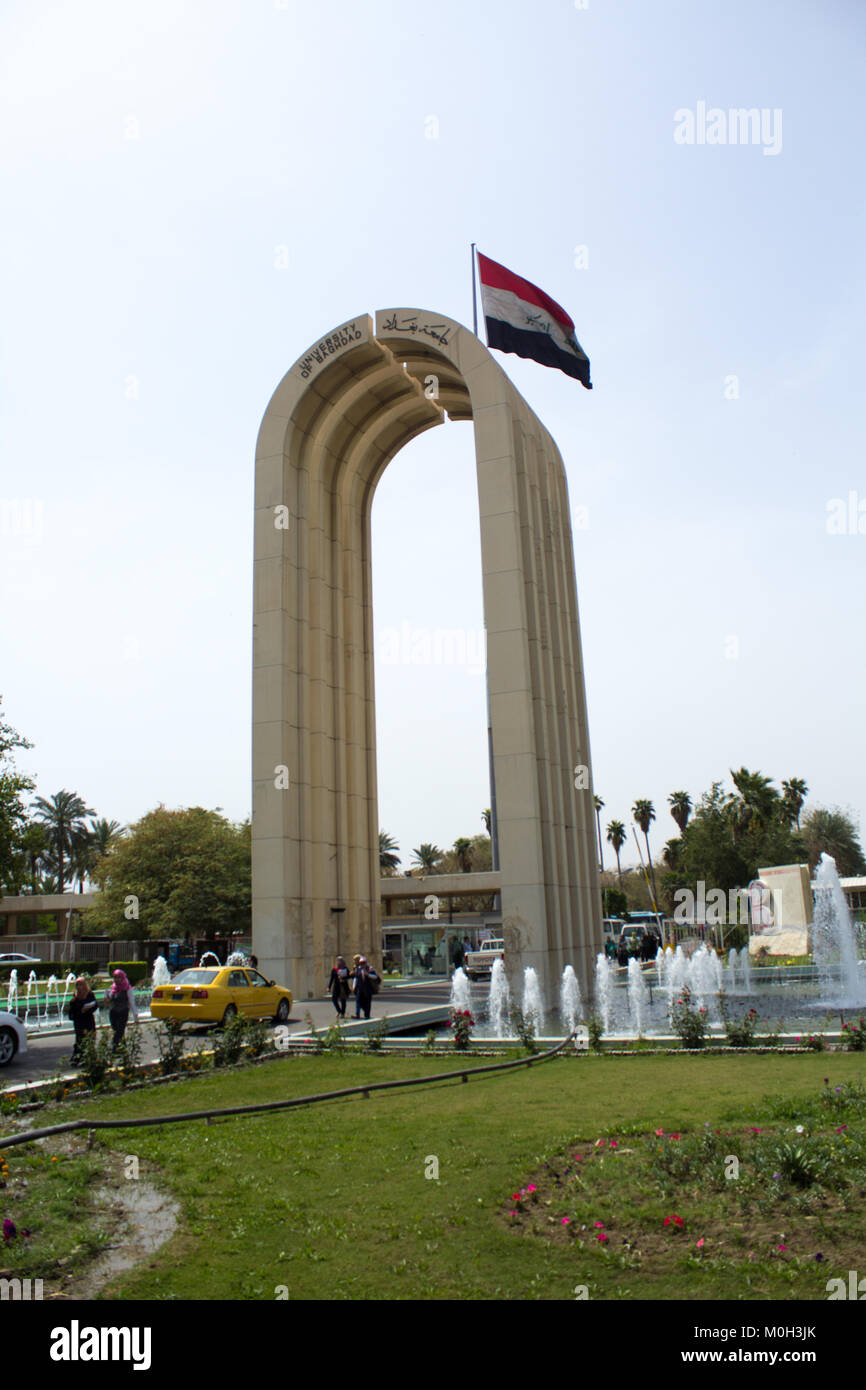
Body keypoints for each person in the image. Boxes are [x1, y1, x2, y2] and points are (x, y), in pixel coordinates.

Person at [68, 977, 98, 1064]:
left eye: (81, 984)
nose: (79, 987)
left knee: (90, 1038)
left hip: (88, 1021)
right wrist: (79, 1011)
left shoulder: (89, 995)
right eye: (77, 985)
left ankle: (90, 1058)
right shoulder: (75, 998)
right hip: (79, 1022)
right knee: (80, 1040)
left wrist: (87, 1009)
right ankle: (78, 1058)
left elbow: (95, 1005)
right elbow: (72, 1012)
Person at [108, 968, 138, 1050]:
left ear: (122, 977)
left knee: (119, 1030)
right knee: (116, 1030)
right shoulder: (113, 987)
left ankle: (115, 1047)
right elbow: (109, 1000)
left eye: (119, 977)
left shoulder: (127, 988)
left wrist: (135, 1015)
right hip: (113, 1012)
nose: (117, 979)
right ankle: (122, 1047)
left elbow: (131, 1001)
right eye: (115, 977)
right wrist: (106, 997)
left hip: (123, 1011)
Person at [352, 956, 378, 1020]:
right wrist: (353, 986)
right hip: (360, 988)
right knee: (359, 1001)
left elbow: (375, 977)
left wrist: (368, 975)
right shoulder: (358, 969)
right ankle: (360, 1013)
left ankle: (367, 1015)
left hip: (367, 988)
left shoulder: (370, 968)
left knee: (367, 1002)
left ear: (366, 962)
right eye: (361, 963)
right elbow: (356, 978)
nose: (362, 964)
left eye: (363, 963)